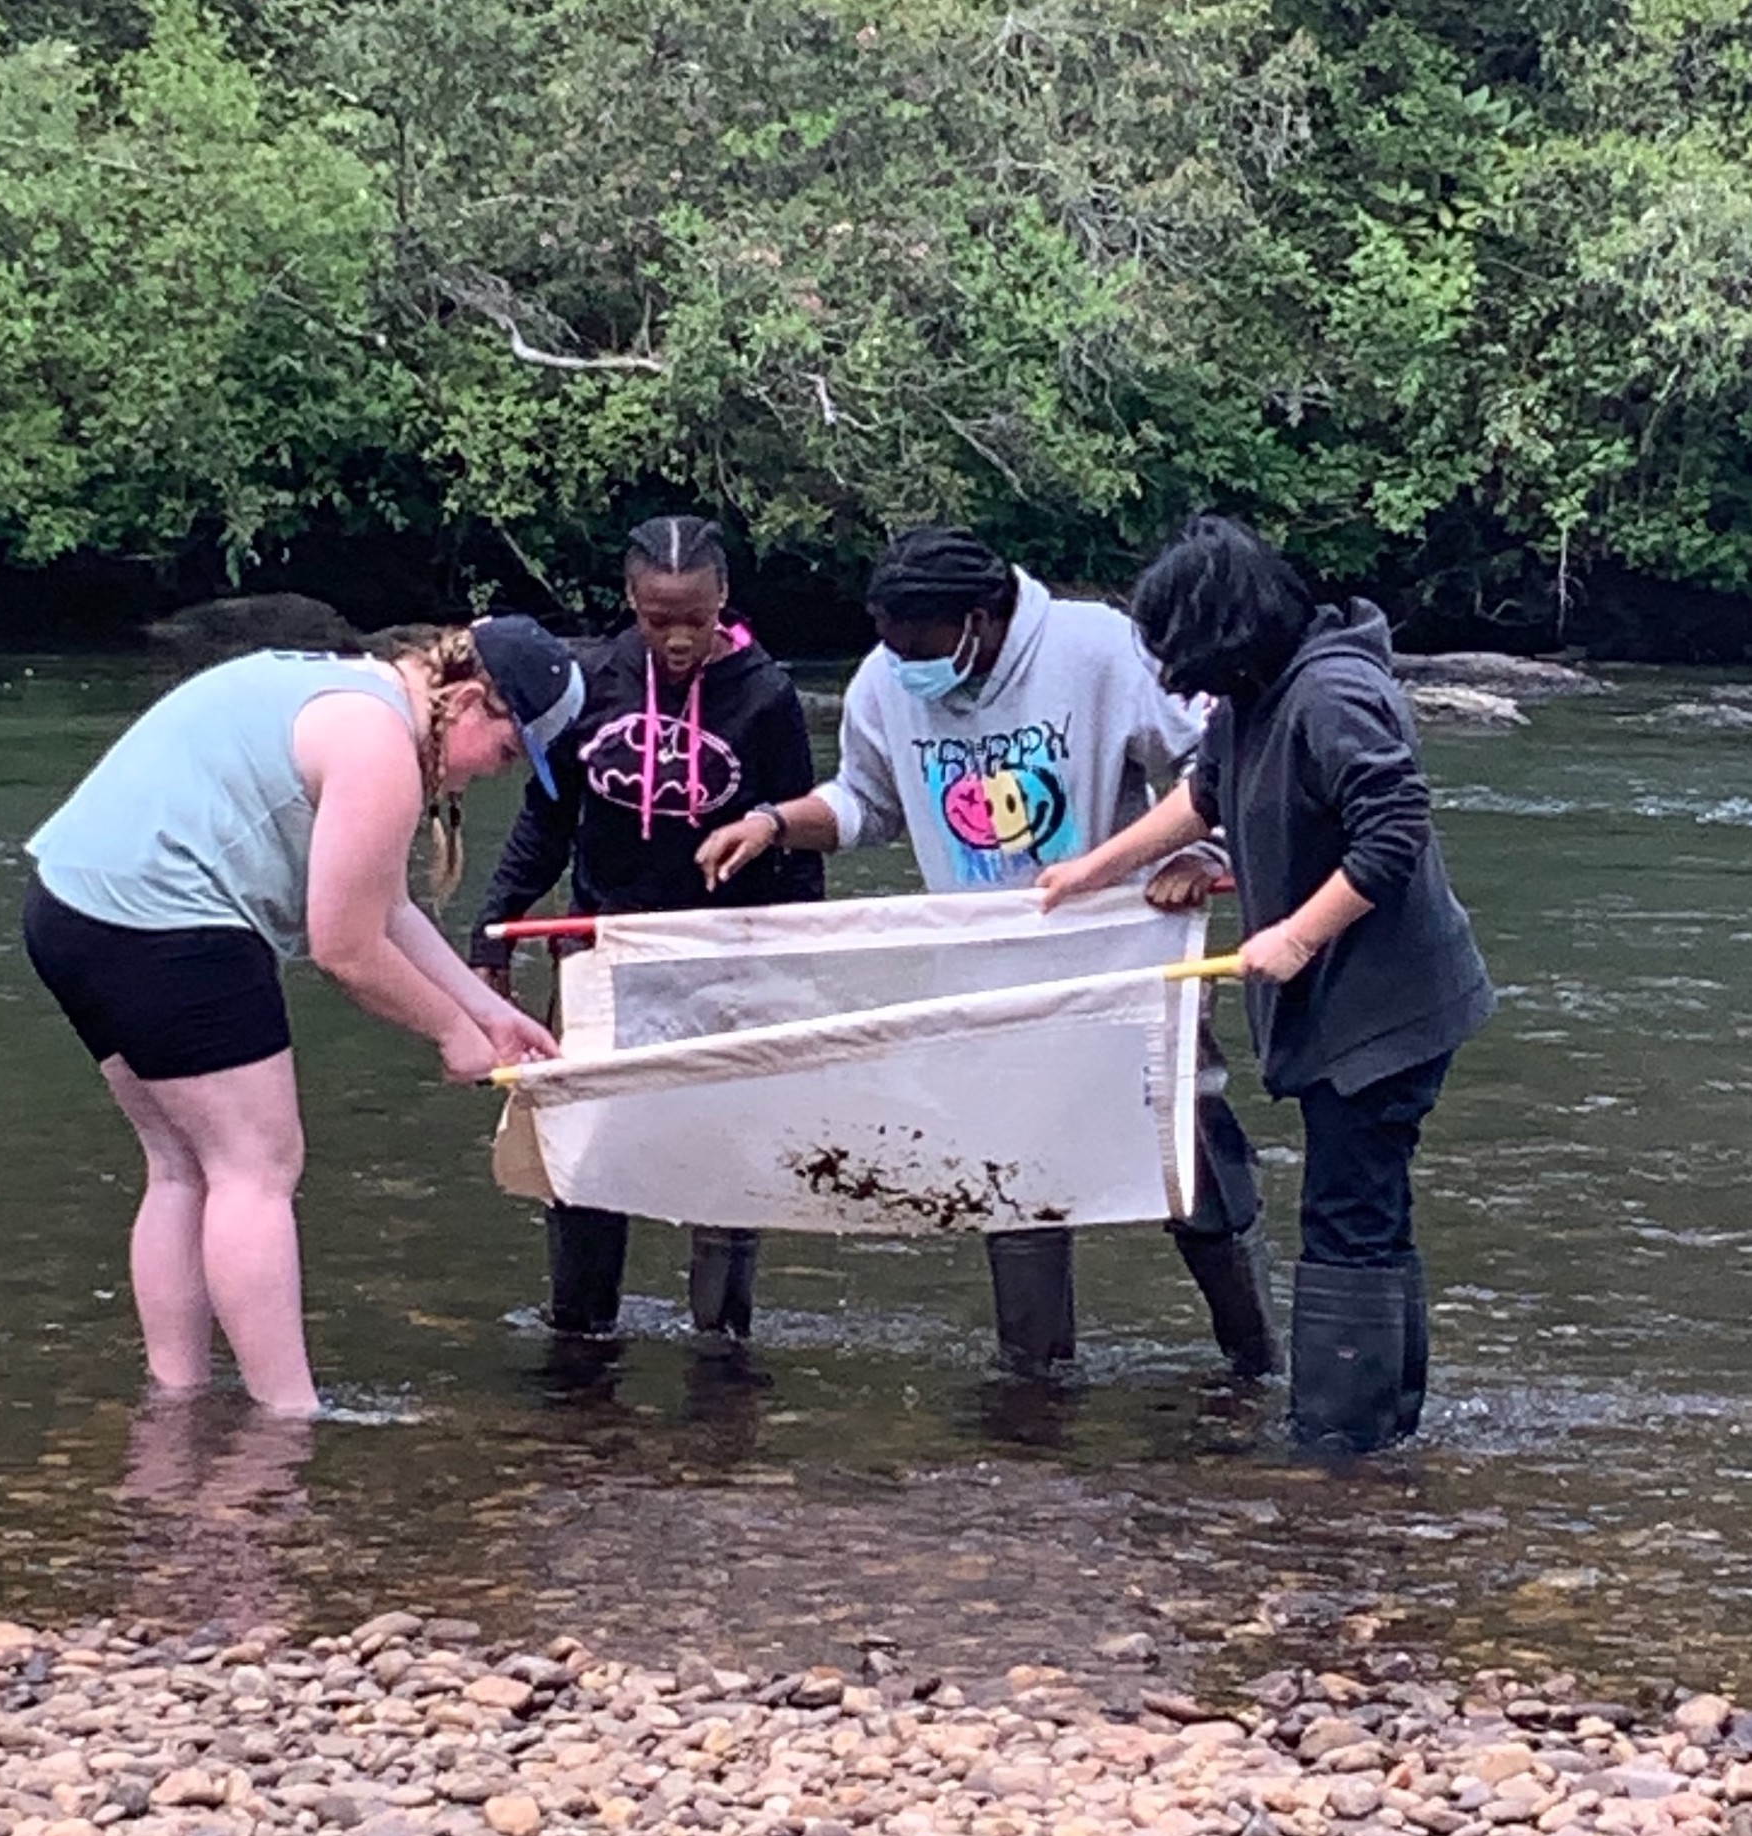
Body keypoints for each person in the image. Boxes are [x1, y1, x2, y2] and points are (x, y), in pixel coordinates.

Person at [695, 525, 1276, 1378]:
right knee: (1016, 1182)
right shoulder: (884, 681)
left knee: (1188, 1160)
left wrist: (1203, 854)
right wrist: (776, 823)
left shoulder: (1096, 648)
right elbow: (865, 802)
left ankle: (1257, 1363)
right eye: (890, 648)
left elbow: (1216, 766)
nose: (903, 665)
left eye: (917, 648)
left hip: (1122, 962)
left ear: (976, 620)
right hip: (987, 985)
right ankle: (1035, 1388)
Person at [22, 618, 583, 1416]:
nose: (493, 774)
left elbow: (387, 907)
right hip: (164, 921)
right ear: (467, 702)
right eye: (505, 753)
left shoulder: (354, 689)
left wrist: (489, 1012)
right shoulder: (379, 743)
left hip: (70, 906)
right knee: (258, 1168)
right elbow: (346, 948)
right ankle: (286, 1421)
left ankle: (176, 1405)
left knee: (182, 1166)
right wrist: (451, 1034)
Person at [1040, 514, 1495, 1450]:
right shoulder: (1253, 693)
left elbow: (1393, 831)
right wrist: (1094, 870)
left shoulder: (1331, 694)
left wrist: (1295, 933)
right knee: (1367, 1207)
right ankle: (1381, 1428)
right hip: (1346, 1006)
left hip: (1389, 1006)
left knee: (1346, 1212)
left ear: (1223, 629)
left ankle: (1338, 1442)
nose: (1171, 669)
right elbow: (1202, 795)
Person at [470, 516, 824, 1341]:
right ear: (630, 603)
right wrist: (493, 932)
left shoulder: (765, 696)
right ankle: (580, 1333)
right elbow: (546, 821)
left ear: (723, 599)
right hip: (601, 953)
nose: (678, 638)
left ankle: (722, 1341)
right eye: (659, 620)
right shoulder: (592, 682)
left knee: (726, 1160)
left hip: (725, 957)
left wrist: (800, 962)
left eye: (696, 618)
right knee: (585, 1152)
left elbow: (798, 837)